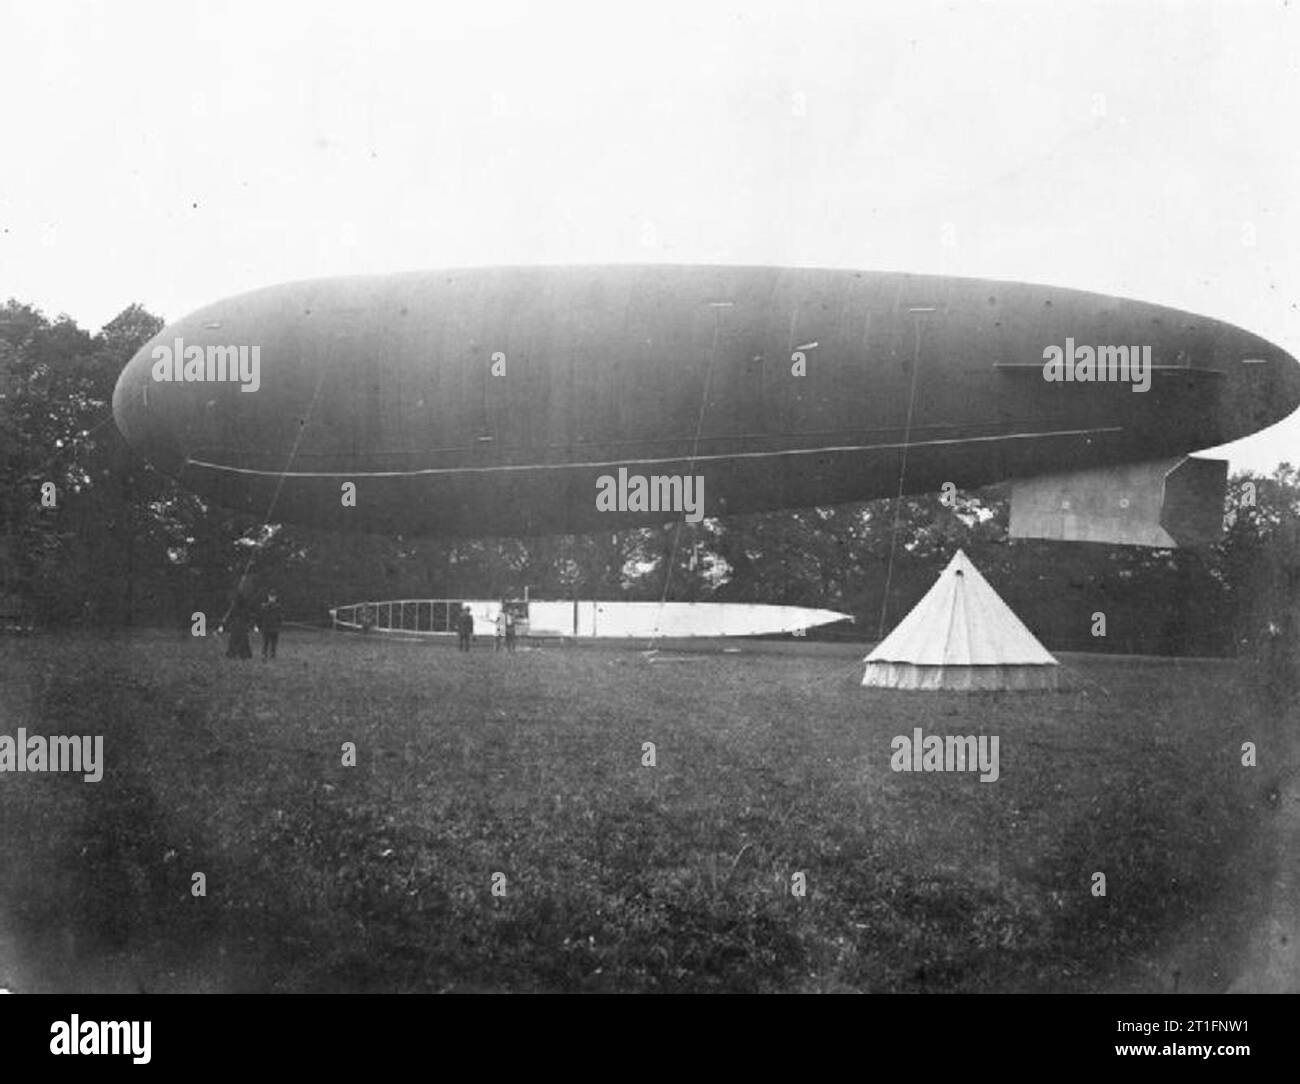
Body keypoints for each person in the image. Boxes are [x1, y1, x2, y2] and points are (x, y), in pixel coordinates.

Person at [224, 594, 253, 659]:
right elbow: (248, 616)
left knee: (234, 640)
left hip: (236, 625)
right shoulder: (244, 608)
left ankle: (233, 654)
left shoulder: (234, 607)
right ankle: (243, 654)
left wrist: (225, 623)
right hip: (241, 626)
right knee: (242, 640)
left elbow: (228, 616)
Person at [259, 590, 283, 661]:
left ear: (276, 597)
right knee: (265, 642)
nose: (272, 598)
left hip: (274, 627)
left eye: (273, 597)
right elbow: (261, 616)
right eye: (271, 597)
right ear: (268, 597)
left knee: (273, 643)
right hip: (267, 627)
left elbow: (280, 617)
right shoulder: (265, 606)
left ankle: (272, 654)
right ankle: (264, 654)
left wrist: (279, 624)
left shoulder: (278, 607)